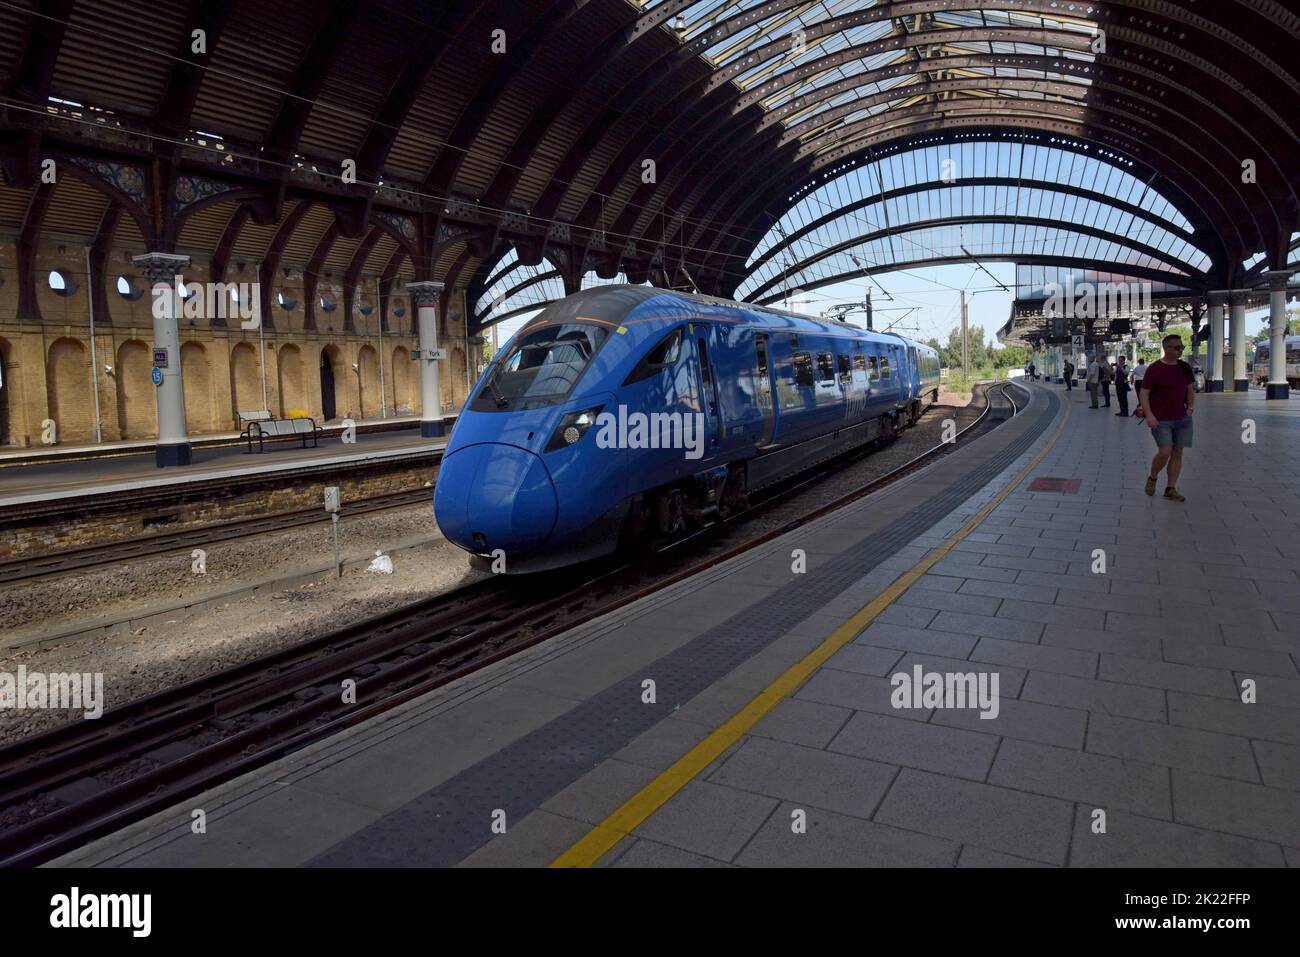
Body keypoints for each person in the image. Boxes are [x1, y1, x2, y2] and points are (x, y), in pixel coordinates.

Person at [1140, 333, 1196, 502]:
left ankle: (1170, 488)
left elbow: (1190, 389)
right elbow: (1144, 394)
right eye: (1177, 347)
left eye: (1182, 347)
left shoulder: (1184, 367)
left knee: (1178, 452)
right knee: (1165, 451)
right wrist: (1149, 415)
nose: (1180, 350)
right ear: (1166, 348)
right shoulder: (1154, 369)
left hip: (1182, 417)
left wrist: (1190, 408)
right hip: (1160, 419)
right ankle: (1153, 477)